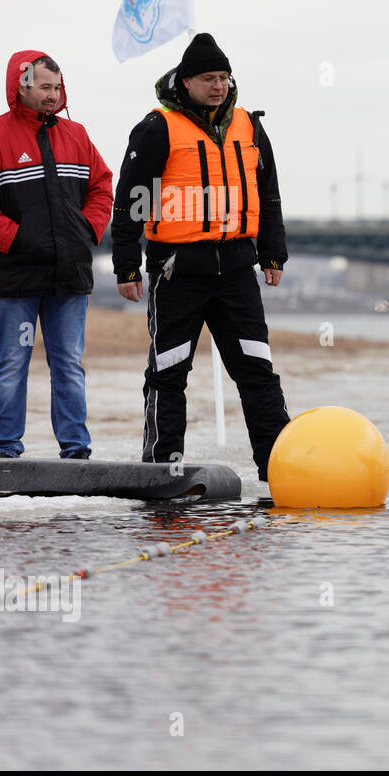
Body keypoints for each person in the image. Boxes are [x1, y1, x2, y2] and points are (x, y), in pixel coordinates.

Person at [111, 33, 290, 481]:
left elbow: (268, 196)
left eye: (224, 78)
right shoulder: (157, 127)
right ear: (186, 81)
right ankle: (160, 470)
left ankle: (278, 468)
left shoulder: (250, 125)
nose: (219, 86)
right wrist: (127, 265)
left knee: (257, 371)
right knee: (169, 372)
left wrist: (273, 254)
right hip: (177, 271)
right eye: (209, 78)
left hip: (236, 270)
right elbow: (132, 198)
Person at [0, 51, 113, 459]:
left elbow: (103, 187)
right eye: (45, 87)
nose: (53, 95)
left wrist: (86, 229)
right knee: (11, 368)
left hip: (69, 276)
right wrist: (16, 239)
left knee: (69, 365)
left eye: (58, 87)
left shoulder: (77, 134)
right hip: (16, 279)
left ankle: (76, 452)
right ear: (23, 86)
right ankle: (5, 451)